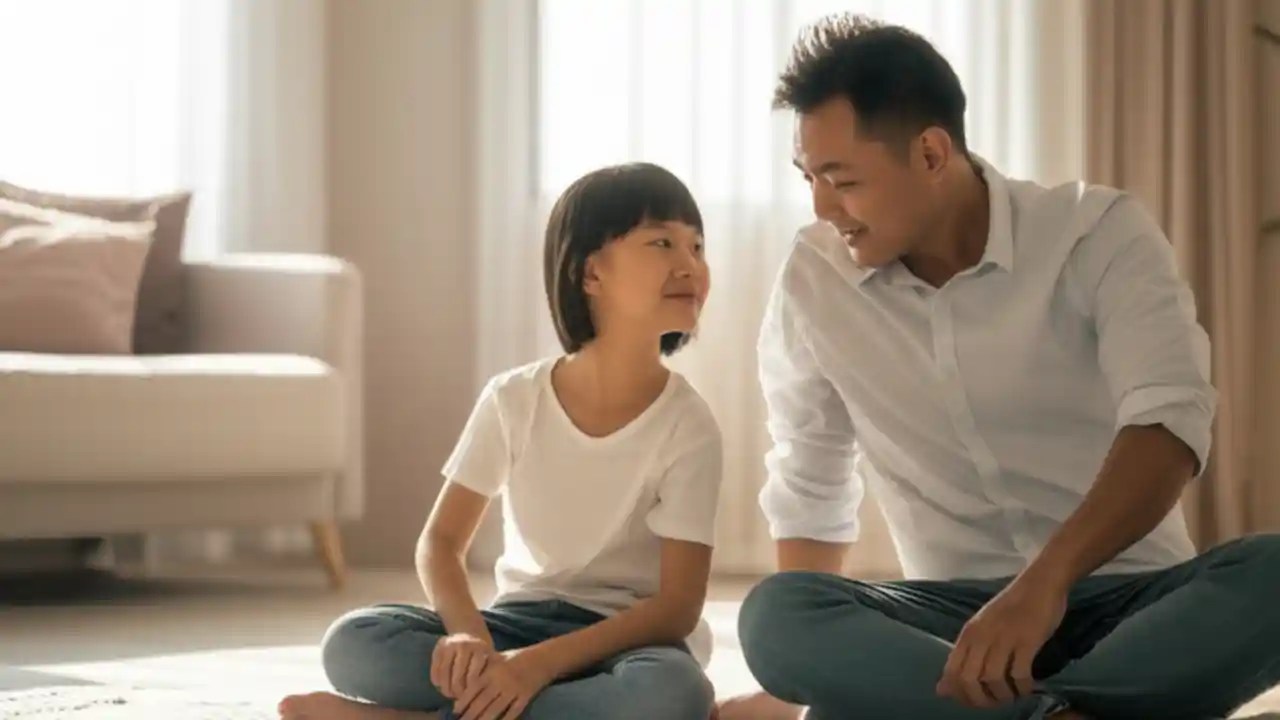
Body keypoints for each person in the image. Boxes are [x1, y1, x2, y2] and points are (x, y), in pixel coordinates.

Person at [722, 12, 1280, 720]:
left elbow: (1168, 420)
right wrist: (802, 677)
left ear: (930, 153)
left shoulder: (1097, 233)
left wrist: (1043, 586)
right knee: (775, 614)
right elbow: (808, 481)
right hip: (953, 632)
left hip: (1132, 601)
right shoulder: (813, 281)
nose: (823, 207)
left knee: (1274, 571)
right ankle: (1062, 714)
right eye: (808, 178)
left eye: (842, 180)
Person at [279, 162, 723, 720]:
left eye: (698, 246)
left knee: (674, 694)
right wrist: (471, 643)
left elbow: (677, 610)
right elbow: (440, 543)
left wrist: (535, 667)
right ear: (590, 274)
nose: (690, 265)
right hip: (513, 622)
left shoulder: (690, 425)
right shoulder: (514, 399)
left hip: (625, 645)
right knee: (355, 639)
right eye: (662, 242)